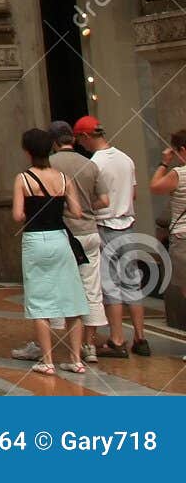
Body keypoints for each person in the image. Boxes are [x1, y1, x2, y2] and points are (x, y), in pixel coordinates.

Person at [13, 121, 107, 364]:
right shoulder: (64, 178)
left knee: (39, 300)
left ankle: (48, 361)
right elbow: (76, 211)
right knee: (74, 297)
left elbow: (18, 215)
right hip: (61, 237)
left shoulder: (23, 179)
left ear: (28, 152)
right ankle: (77, 359)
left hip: (35, 239)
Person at [74, 116, 150, 357]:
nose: (80, 145)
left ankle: (117, 340)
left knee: (111, 286)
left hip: (106, 225)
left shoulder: (95, 164)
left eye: (79, 139)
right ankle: (140, 338)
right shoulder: (126, 159)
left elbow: (95, 199)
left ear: (86, 136)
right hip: (128, 225)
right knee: (132, 283)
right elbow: (134, 194)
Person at [147, 129, 186, 322]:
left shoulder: (178, 174)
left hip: (183, 237)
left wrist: (164, 162)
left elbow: (154, 186)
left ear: (182, 150)